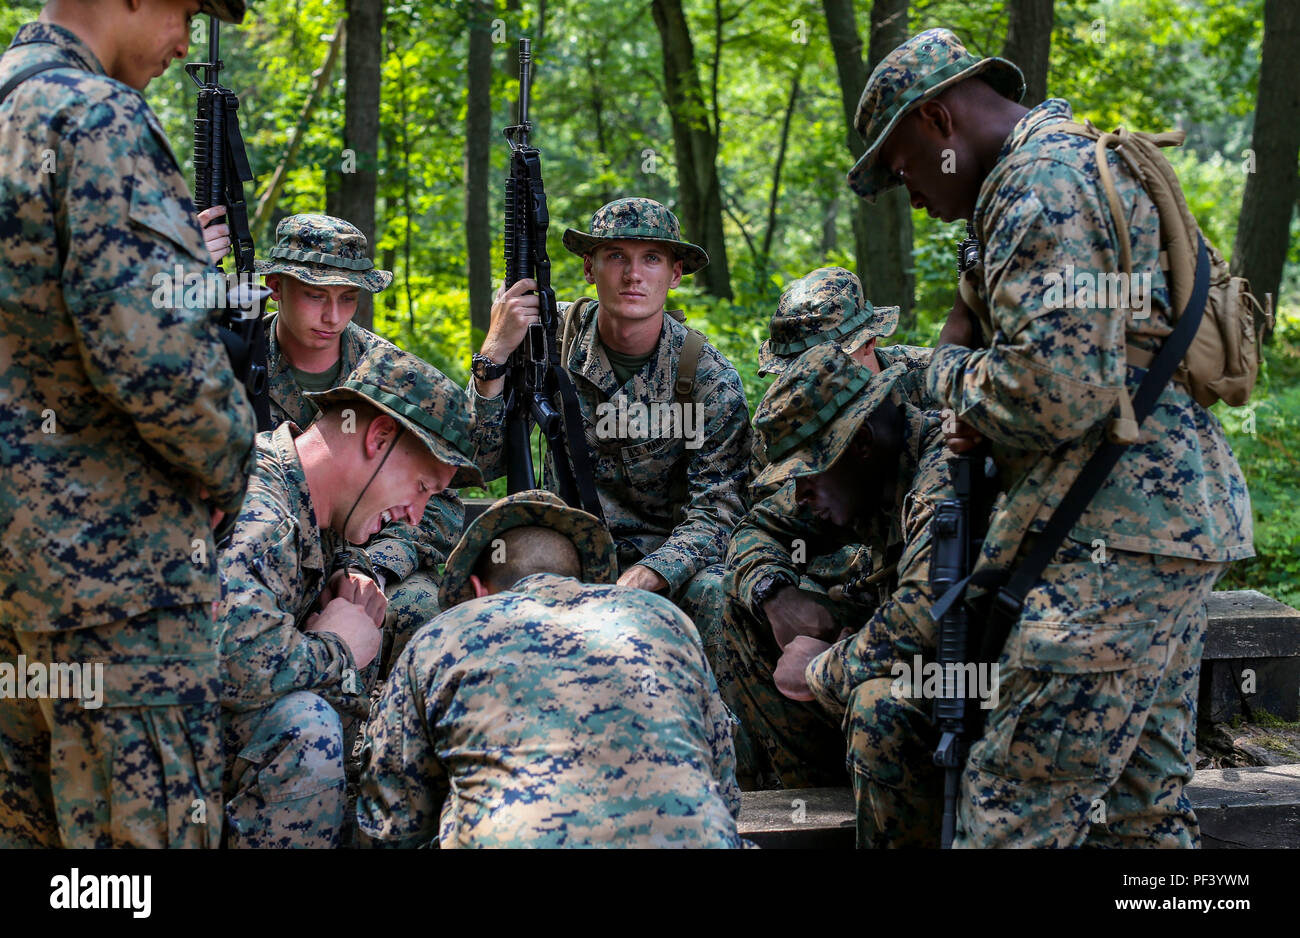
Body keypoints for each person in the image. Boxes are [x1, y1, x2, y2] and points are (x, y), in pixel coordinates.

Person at [848, 27, 1253, 847]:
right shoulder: (1064, 163)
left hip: (1114, 542)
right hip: (1158, 531)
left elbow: (1051, 392)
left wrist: (938, 377)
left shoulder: (1037, 183)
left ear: (936, 121)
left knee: (1013, 813)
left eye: (903, 171)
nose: (914, 196)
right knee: (1138, 816)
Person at [0, 0, 256, 848]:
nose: (187, 39)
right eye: (185, 8)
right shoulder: (95, 116)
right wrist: (229, 466)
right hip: (119, 598)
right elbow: (152, 356)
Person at [356, 490, 746, 848]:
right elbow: (725, 793)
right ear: (583, 582)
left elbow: (392, 827)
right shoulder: (666, 621)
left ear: (477, 591)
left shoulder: (443, 635)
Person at [468, 197, 751, 674]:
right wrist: (493, 354)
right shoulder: (544, 342)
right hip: (565, 549)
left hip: (667, 558)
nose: (633, 275)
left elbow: (720, 509)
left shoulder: (707, 377)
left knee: (716, 594)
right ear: (589, 268)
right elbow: (481, 462)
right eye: (616, 255)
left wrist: (656, 571)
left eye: (652, 259)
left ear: (675, 275)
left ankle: (708, 733)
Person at [217, 345, 482, 848]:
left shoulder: (313, 509)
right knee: (306, 727)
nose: (417, 514)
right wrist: (338, 647)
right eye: (422, 486)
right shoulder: (263, 514)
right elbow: (233, 662)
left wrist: (353, 571)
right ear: (378, 437)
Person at [205, 211, 466, 669]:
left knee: (417, 610)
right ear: (276, 287)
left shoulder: (386, 376)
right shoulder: (232, 352)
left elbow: (437, 503)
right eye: (314, 296)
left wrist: (372, 567)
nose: (333, 316)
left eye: (348, 299)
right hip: (260, 540)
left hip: (366, 553)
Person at [720, 342, 948, 790]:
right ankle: (816, 804)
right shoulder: (861, 469)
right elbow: (757, 528)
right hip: (908, 643)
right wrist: (776, 594)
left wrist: (818, 668)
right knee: (742, 611)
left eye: (807, 474)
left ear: (860, 442)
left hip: (981, 677)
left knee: (878, 704)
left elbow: (922, 622)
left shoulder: (942, 480)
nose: (800, 494)